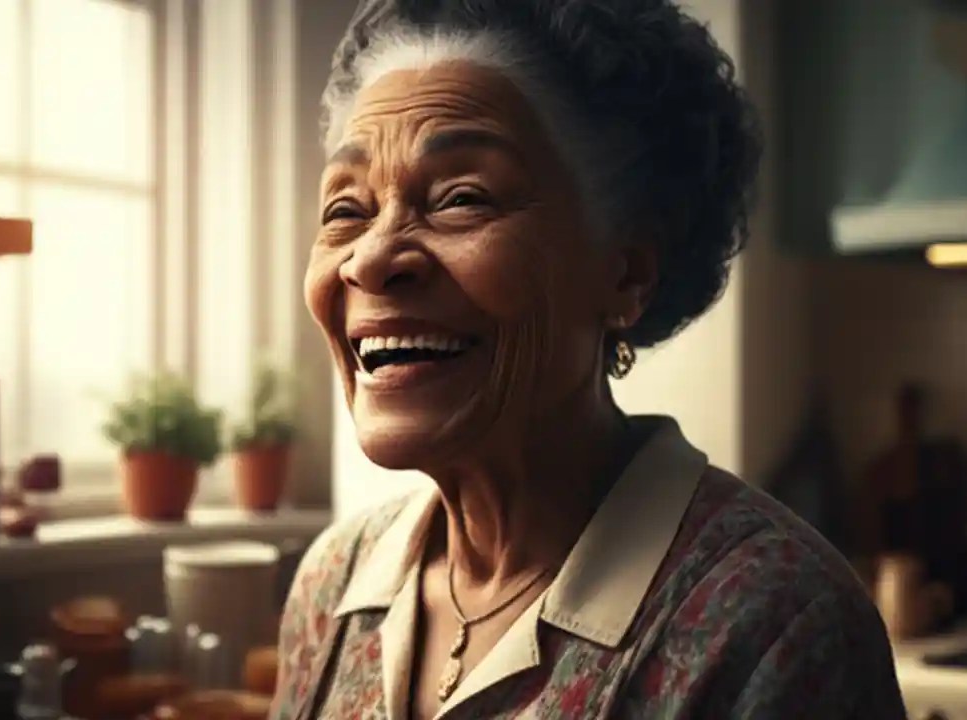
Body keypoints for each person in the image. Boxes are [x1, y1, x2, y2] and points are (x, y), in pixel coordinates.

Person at [272, 1, 906, 717]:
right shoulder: (332, 585)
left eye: (461, 198)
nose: (374, 257)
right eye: (345, 211)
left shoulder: (772, 622)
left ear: (627, 274)